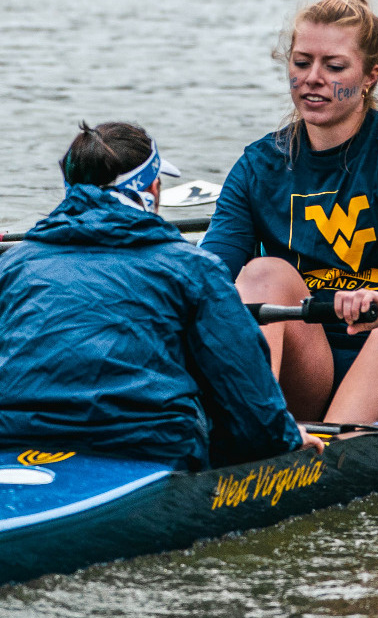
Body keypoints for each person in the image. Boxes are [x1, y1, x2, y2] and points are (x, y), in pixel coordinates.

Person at [202, 0, 378, 424]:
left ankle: (331, 449)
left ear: (370, 75)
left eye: (334, 67)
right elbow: (213, 265)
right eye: (302, 63)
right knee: (264, 273)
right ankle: (244, 436)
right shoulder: (259, 164)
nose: (313, 79)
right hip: (313, 364)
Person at [0, 122, 313, 471]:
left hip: (14, 435)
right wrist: (284, 438)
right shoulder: (193, 267)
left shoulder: (13, 263)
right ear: (151, 188)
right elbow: (243, 389)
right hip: (146, 445)